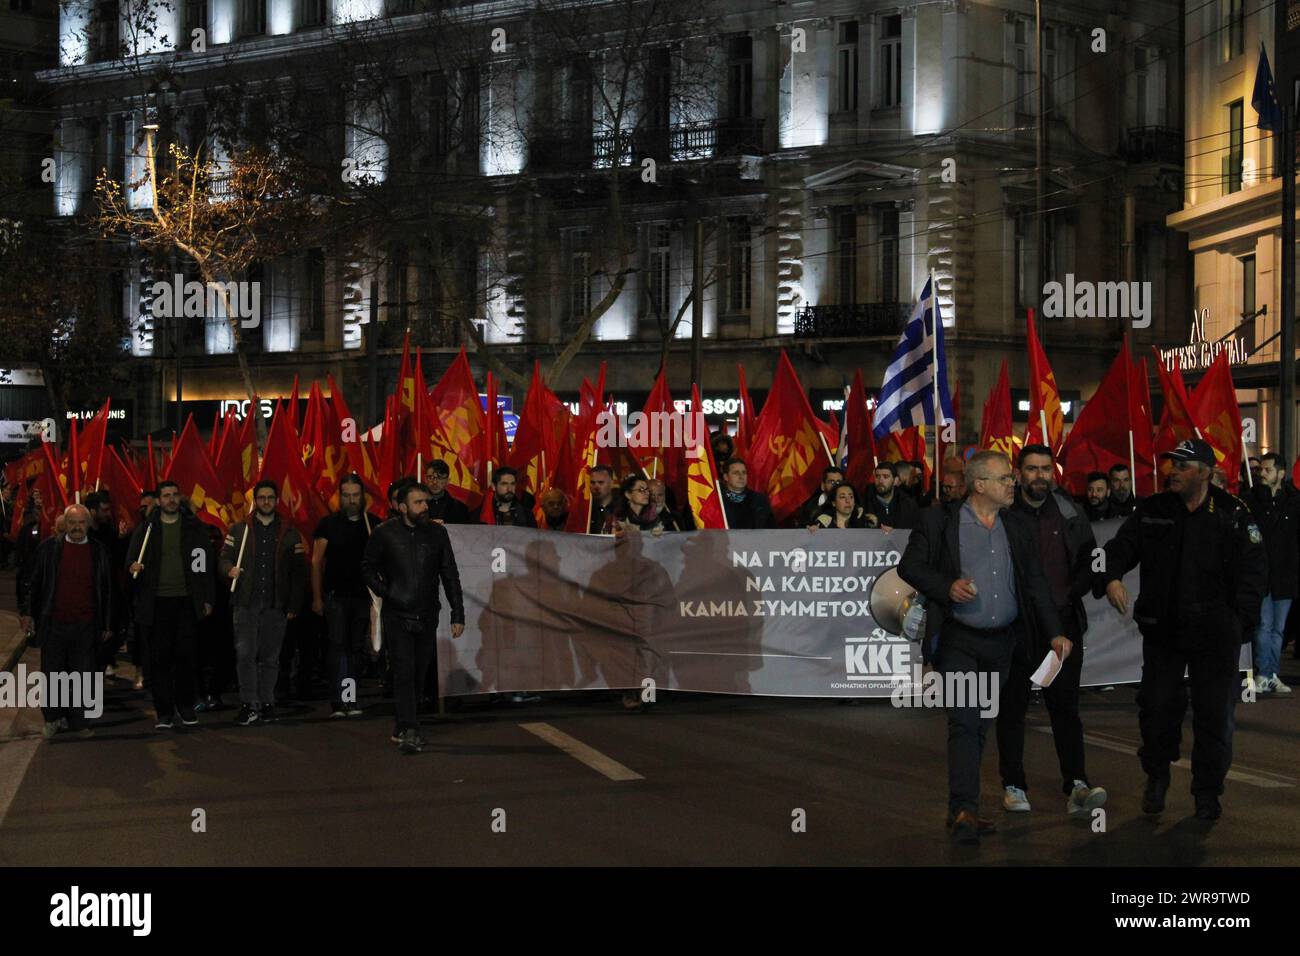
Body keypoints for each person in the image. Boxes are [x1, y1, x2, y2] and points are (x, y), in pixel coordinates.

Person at [1094, 438, 1267, 821]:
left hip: (1215, 636)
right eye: (1172, 464)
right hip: (1165, 633)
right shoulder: (1153, 510)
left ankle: (1207, 792)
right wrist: (1111, 578)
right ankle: (1156, 777)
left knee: (1214, 717)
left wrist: (1239, 623)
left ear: (1205, 473)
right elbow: (1120, 547)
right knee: (1156, 711)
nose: (1173, 471)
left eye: (1183, 466)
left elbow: (1254, 573)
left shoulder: (1233, 514)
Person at [898, 450, 1065, 844]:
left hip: (1003, 643)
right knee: (964, 722)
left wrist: (1055, 631)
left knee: (978, 727)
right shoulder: (941, 521)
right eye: (1005, 478)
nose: (1013, 483)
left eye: (1011, 478)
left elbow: (1037, 582)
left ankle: (964, 807)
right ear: (980, 485)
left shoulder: (1018, 525)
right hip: (960, 641)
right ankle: (964, 810)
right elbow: (911, 567)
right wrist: (946, 587)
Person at [999, 444, 1106, 816]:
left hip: (1061, 627)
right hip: (1016, 629)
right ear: (1018, 472)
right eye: (1031, 469)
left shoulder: (1070, 512)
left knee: (1064, 706)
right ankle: (1013, 786)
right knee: (1012, 708)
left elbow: (1091, 559)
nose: (1039, 475)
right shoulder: (1002, 513)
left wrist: (1071, 593)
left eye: (1046, 468)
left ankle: (1076, 784)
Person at [361, 482, 465, 754]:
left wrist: (458, 612)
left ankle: (404, 722)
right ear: (402, 506)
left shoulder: (437, 534)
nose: (425, 506)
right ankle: (410, 728)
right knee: (404, 671)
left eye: (426, 501)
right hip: (398, 616)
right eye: (418, 502)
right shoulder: (384, 534)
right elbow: (367, 568)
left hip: (428, 614)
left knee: (419, 672)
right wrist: (388, 592)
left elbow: (449, 574)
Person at [18, 504, 114, 740]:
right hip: (54, 623)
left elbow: (108, 590)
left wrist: (108, 624)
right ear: (65, 524)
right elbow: (32, 583)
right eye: (72, 522)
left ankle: (79, 722)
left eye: (81, 522)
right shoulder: (48, 550)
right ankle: (52, 719)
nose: (77, 527)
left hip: (86, 624)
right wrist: (27, 613)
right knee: (52, 675)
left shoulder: (98, 551)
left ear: (88, 525)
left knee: (83, 676)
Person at [126, 481, 215, 730]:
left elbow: (205, 566)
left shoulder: (194, 528)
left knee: (186, 658)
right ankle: (164, 711)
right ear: (159, 500)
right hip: (156, 605)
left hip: (186, 602)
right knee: (160, 660)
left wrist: (207, 598)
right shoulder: (146, 529)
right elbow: (130, 561)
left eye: (175, 495)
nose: (171, 499)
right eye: (166, 495)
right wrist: (133, 567)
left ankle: (185, 707)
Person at [219, 480, 308, 726]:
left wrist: (293, 605)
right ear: (255, 501)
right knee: (245, 654)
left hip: (275, 604)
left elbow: (299, 573)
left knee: (270, 656)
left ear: (277, 500)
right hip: (245, 603)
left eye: (270, 497)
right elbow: (223, 558)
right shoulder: (239, 529)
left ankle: (267, 702)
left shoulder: (289, 532)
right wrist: (229, 570)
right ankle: (249, 704)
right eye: (261, 498)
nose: (266, 502)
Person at [313, 475, 373, 719]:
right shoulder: (328, 524)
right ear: (340, 496)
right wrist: (317, 597)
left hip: (362, 597)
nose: (351, 500)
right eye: (346, 495)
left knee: (357, 648)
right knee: (338, 647)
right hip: (336, 596)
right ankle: (339, 701)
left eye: (355, 495)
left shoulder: (373, 525)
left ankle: (352, 698)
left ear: (362, 496)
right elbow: (316, 561)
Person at [1245, 452, 1298, 695]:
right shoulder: (1253, 500)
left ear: (1281, 473)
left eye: (1267, 470)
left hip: (1285, 575)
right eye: (1260, 471)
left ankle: (1272, 673)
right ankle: (1264, 673)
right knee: (1263, 626)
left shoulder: (1294, 501)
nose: (1262, 474)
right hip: (1262, 575)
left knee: (1279, 629)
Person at [604, 474, 670, 534]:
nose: (646, 493)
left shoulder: (653, 517)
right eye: (641, 489)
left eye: (647, 489)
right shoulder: (617, 518)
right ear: (628, 494)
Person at [863, 461, 919, 530]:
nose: (880, 481)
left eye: (885, 477)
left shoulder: (908, 505)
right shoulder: (864, 503)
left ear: (895, 481)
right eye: (877, 476)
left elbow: (916, 532)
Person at [719, 458, 773, 529]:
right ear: (726, 477)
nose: (741, 477)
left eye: (744, 473)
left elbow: (772, 528)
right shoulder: (718, 501)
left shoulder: (759, 499)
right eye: (736, 473)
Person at [424, 459, 472, 524]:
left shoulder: (460, 509)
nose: (434, 482)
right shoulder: (415, 505)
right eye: (430, 477)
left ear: (448, 481)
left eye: (439, 478)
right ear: (425, 479)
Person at [587, 465, 617, 533]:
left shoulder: (623, 508)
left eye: (601, 482)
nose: (596, 487)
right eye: (592, 482)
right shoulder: (586, 510)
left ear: (612, 483)